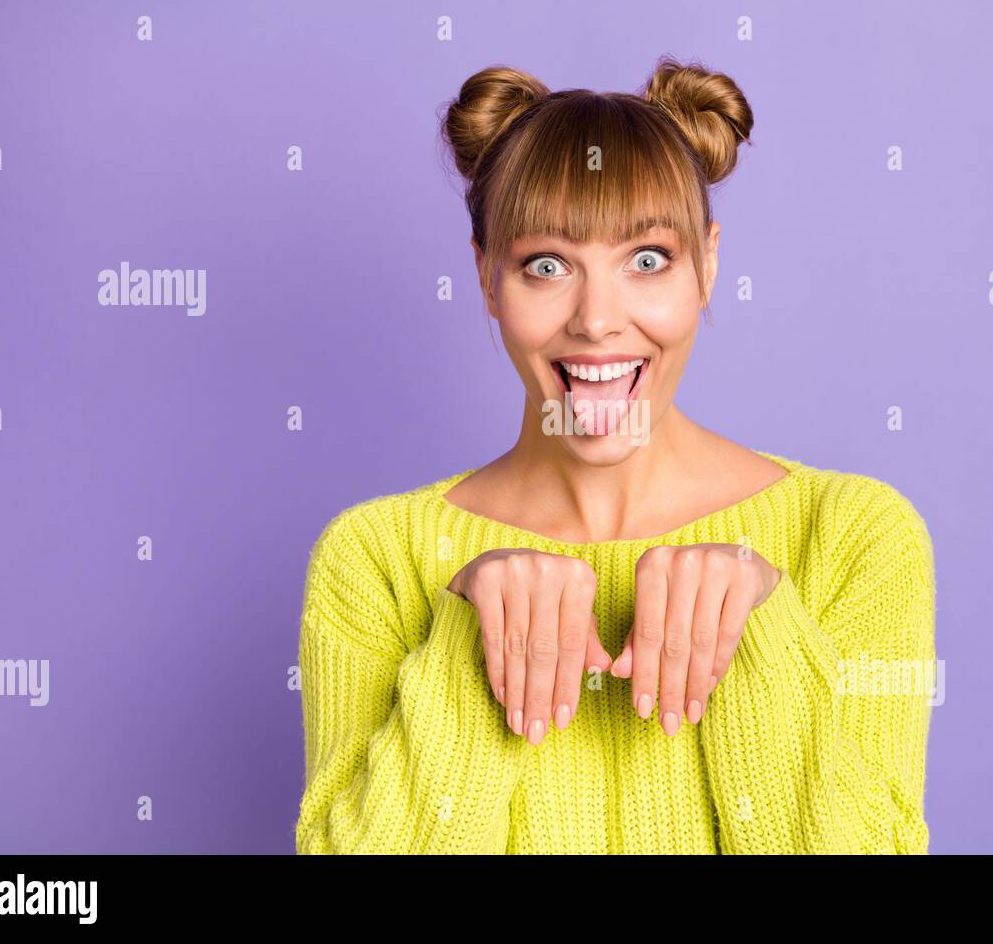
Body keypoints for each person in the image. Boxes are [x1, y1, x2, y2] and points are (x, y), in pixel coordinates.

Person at [294, 57, 937, 854]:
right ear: (487, 279)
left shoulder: (853, 536)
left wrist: (764, 627)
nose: (597, 321)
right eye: (547, 266)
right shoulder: (374, 558)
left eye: (646, 260)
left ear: (708, 265)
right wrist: (466, 643)